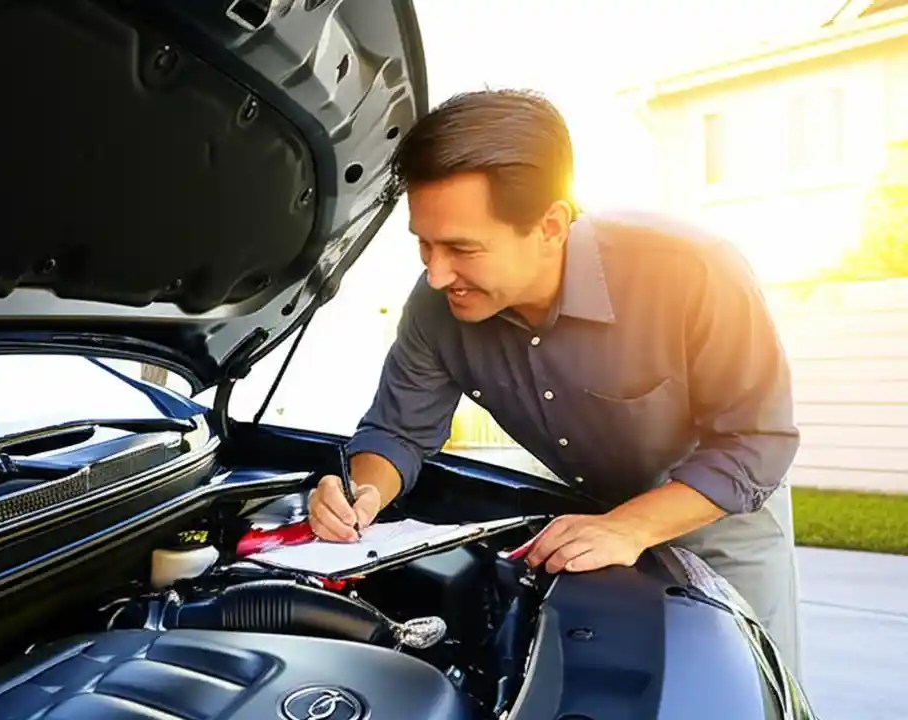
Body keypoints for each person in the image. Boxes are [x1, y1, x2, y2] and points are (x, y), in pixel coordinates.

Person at [307, 89, 803, 675]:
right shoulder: (436, 305)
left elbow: (757, 441)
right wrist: (362, 496)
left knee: (734, 693)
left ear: (550, 225)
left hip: (719, 524)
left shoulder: (692, 270)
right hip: (586, 522)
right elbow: (398, 432)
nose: (437, 274)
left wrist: (630, 527)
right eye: (424, 243)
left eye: (462, 248)